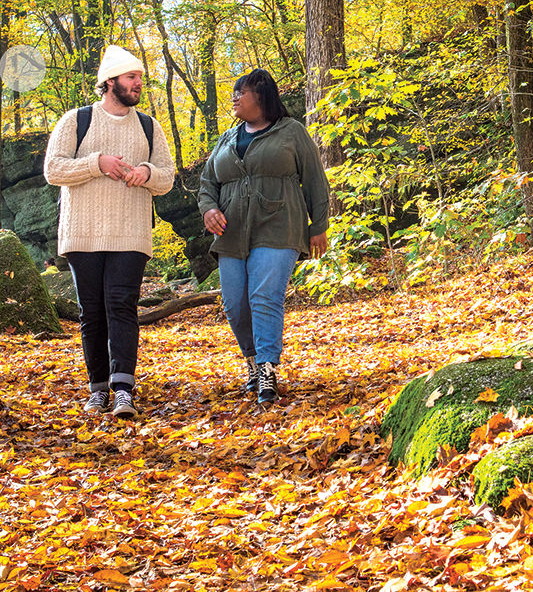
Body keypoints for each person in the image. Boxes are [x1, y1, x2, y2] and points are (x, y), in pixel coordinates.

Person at [44, 45, 175, 418]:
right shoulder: (76, 120)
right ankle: (97, 389)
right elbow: (53, 170)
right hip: (82, 233)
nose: (138, 83)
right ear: (110, 81)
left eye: (140, 78)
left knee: (121, 306)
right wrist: (97, 163)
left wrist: (147, 172)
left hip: (130, 234)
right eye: (132, 77)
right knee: (92, 312)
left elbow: (167, 176)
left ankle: (123, 390)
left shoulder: (149, 126)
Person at [198, 69, 330, 404]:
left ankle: (268, 369)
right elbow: (207, 183)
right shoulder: (227, 138)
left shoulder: (292, 131)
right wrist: (209, 209)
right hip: (231, 233)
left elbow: (315, 179)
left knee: (264, 297)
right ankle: (253, 362)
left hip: (279, 225)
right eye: (234, 93)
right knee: (235, 305)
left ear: (261, 95)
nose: (234, 98)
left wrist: (318, 226)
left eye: (240, 92)